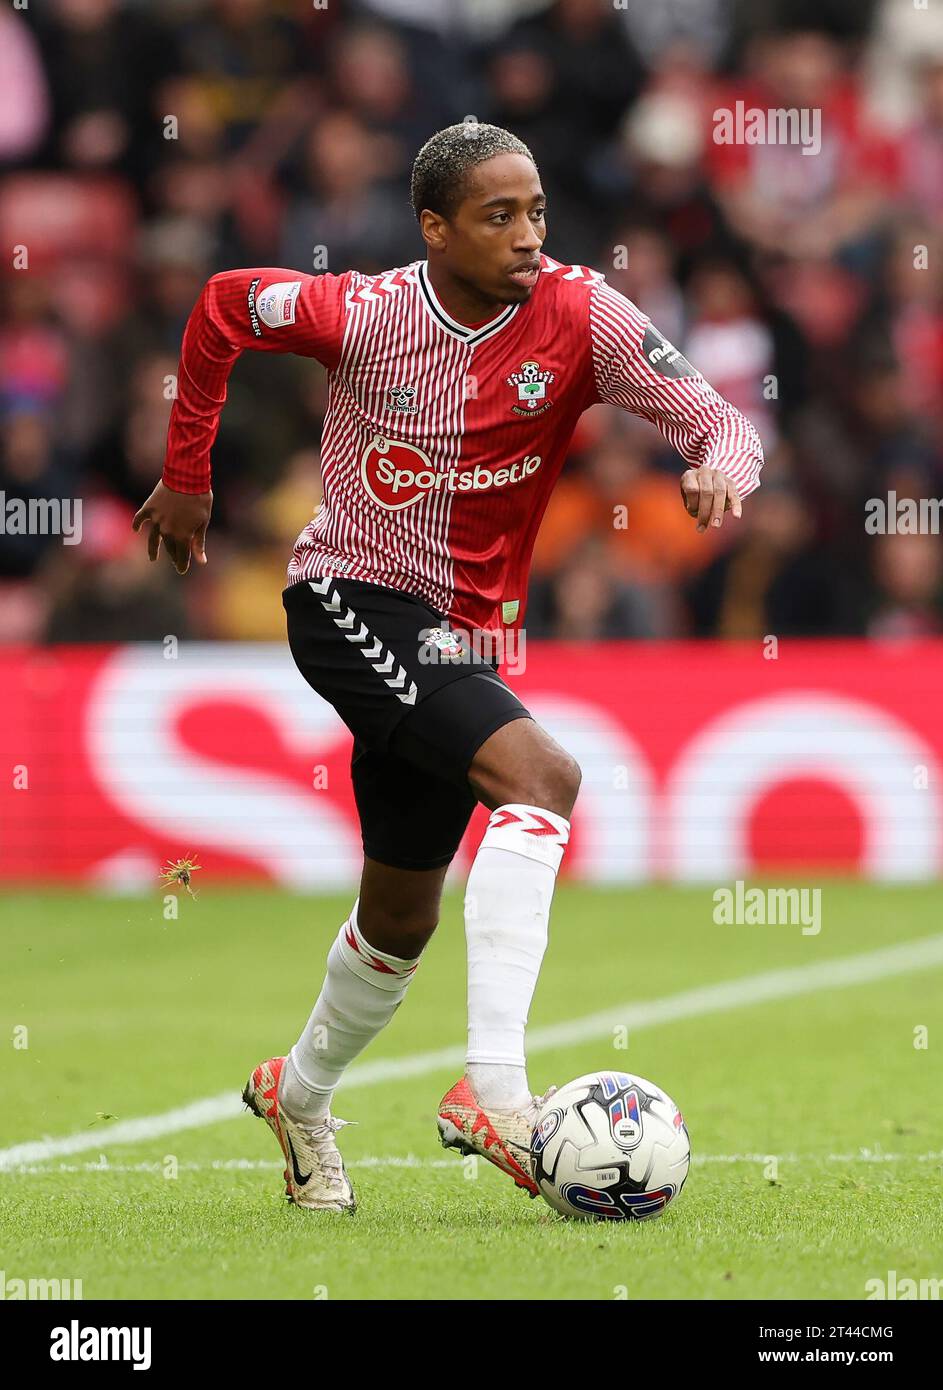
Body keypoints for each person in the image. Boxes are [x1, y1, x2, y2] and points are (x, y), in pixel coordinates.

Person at [132, 123, 763, 1212]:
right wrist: (187, 473)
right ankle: (497, 1092)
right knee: (544, 777)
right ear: (434, 227)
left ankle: (301, 1093)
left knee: (399, 920)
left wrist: (718, 465)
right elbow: (226, 302)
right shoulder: (364, 315)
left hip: (463, 638)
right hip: (348, 594)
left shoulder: (583, 314)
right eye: (497, 216)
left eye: (536, 213)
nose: (527, 236)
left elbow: (720, 417)